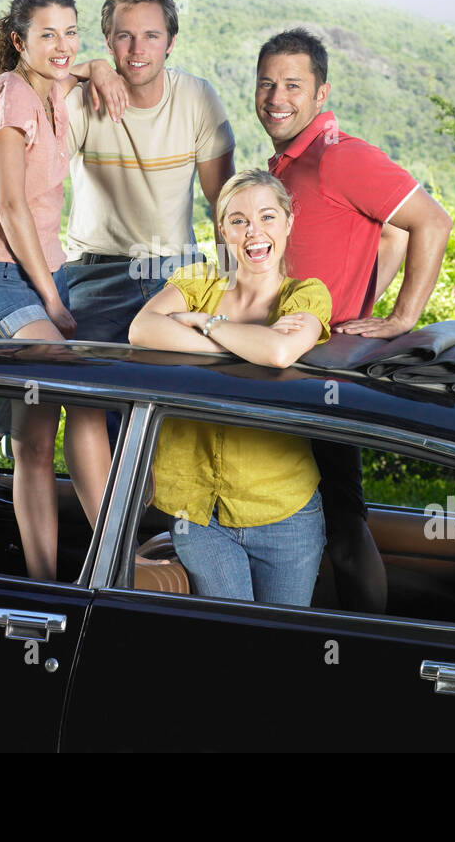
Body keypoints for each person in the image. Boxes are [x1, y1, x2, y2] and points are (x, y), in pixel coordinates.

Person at [257, 28, 452, 614]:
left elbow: (431, 222)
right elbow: (386, 231)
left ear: (321, 93)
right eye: (266, 83)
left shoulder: (341, 155)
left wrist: (399, 317)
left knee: (342, 529)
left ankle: (372, 647)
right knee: (304, 526)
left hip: (322, 377)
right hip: (286, 363)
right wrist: (362, 299)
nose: (276, 97)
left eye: (293, 85)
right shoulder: (290, 166)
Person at [0, 0, 127, 582]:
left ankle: (47, 584)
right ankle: (112, 569)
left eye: (70, 32)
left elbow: (74, 69)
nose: (61, 45)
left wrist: (97, 66)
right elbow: (11, 206)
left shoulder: (50, 85)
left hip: (42, 271)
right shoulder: (8, 95)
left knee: (33, 441)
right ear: (16, 40)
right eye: (46, 34)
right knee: (72, 387)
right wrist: (52, 299)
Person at [128, 169, 332, 606]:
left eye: (267, 217)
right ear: (222, 229)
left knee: (279, 649)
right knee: (228, 645)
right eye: (238, 221)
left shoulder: (307, 295)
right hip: (197, 512)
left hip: (284, 510)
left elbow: (278, 354)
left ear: (288, 221)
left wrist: (209, 325)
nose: (253, 232)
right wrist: (245, 348)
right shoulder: (200, 280)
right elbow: (141, 329)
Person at [65, 0, 236, 342]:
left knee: (189, 388)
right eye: (125, 36)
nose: (137, 49)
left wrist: (234, 287)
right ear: (109, 42)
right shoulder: (82, 100)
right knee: (82, 386)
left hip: (177, 274)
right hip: (97, 275)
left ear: (170, 43)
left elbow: (224, 202)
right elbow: (30, 91)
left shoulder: (197, 97)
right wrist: (88, 68)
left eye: (152, 36)